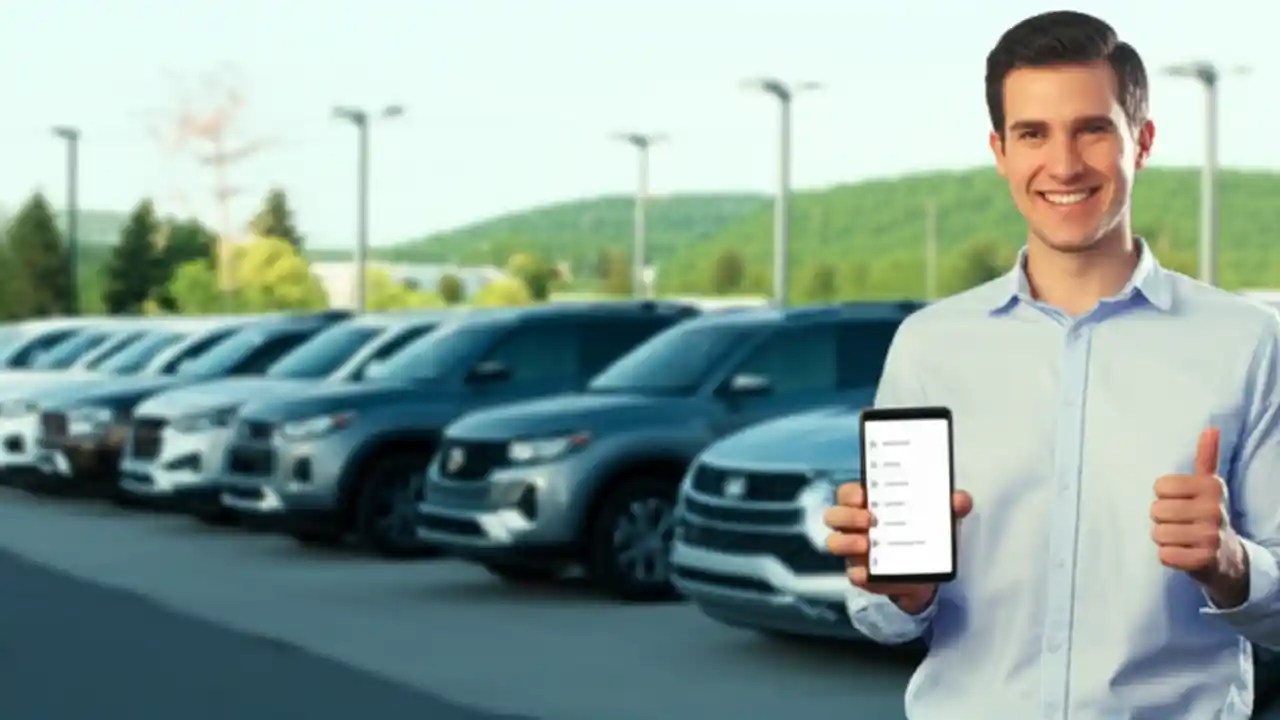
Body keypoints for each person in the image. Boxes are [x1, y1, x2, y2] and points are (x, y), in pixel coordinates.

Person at [823, 10, 1280, 720]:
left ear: (1143, 141)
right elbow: (883, 618)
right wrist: (900, 589)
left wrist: (1229, 565)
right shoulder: (928, 345)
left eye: (1092, 129)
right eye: (1033, 133)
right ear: (1000, 150)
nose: (1063, 164)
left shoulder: (1248, 341)